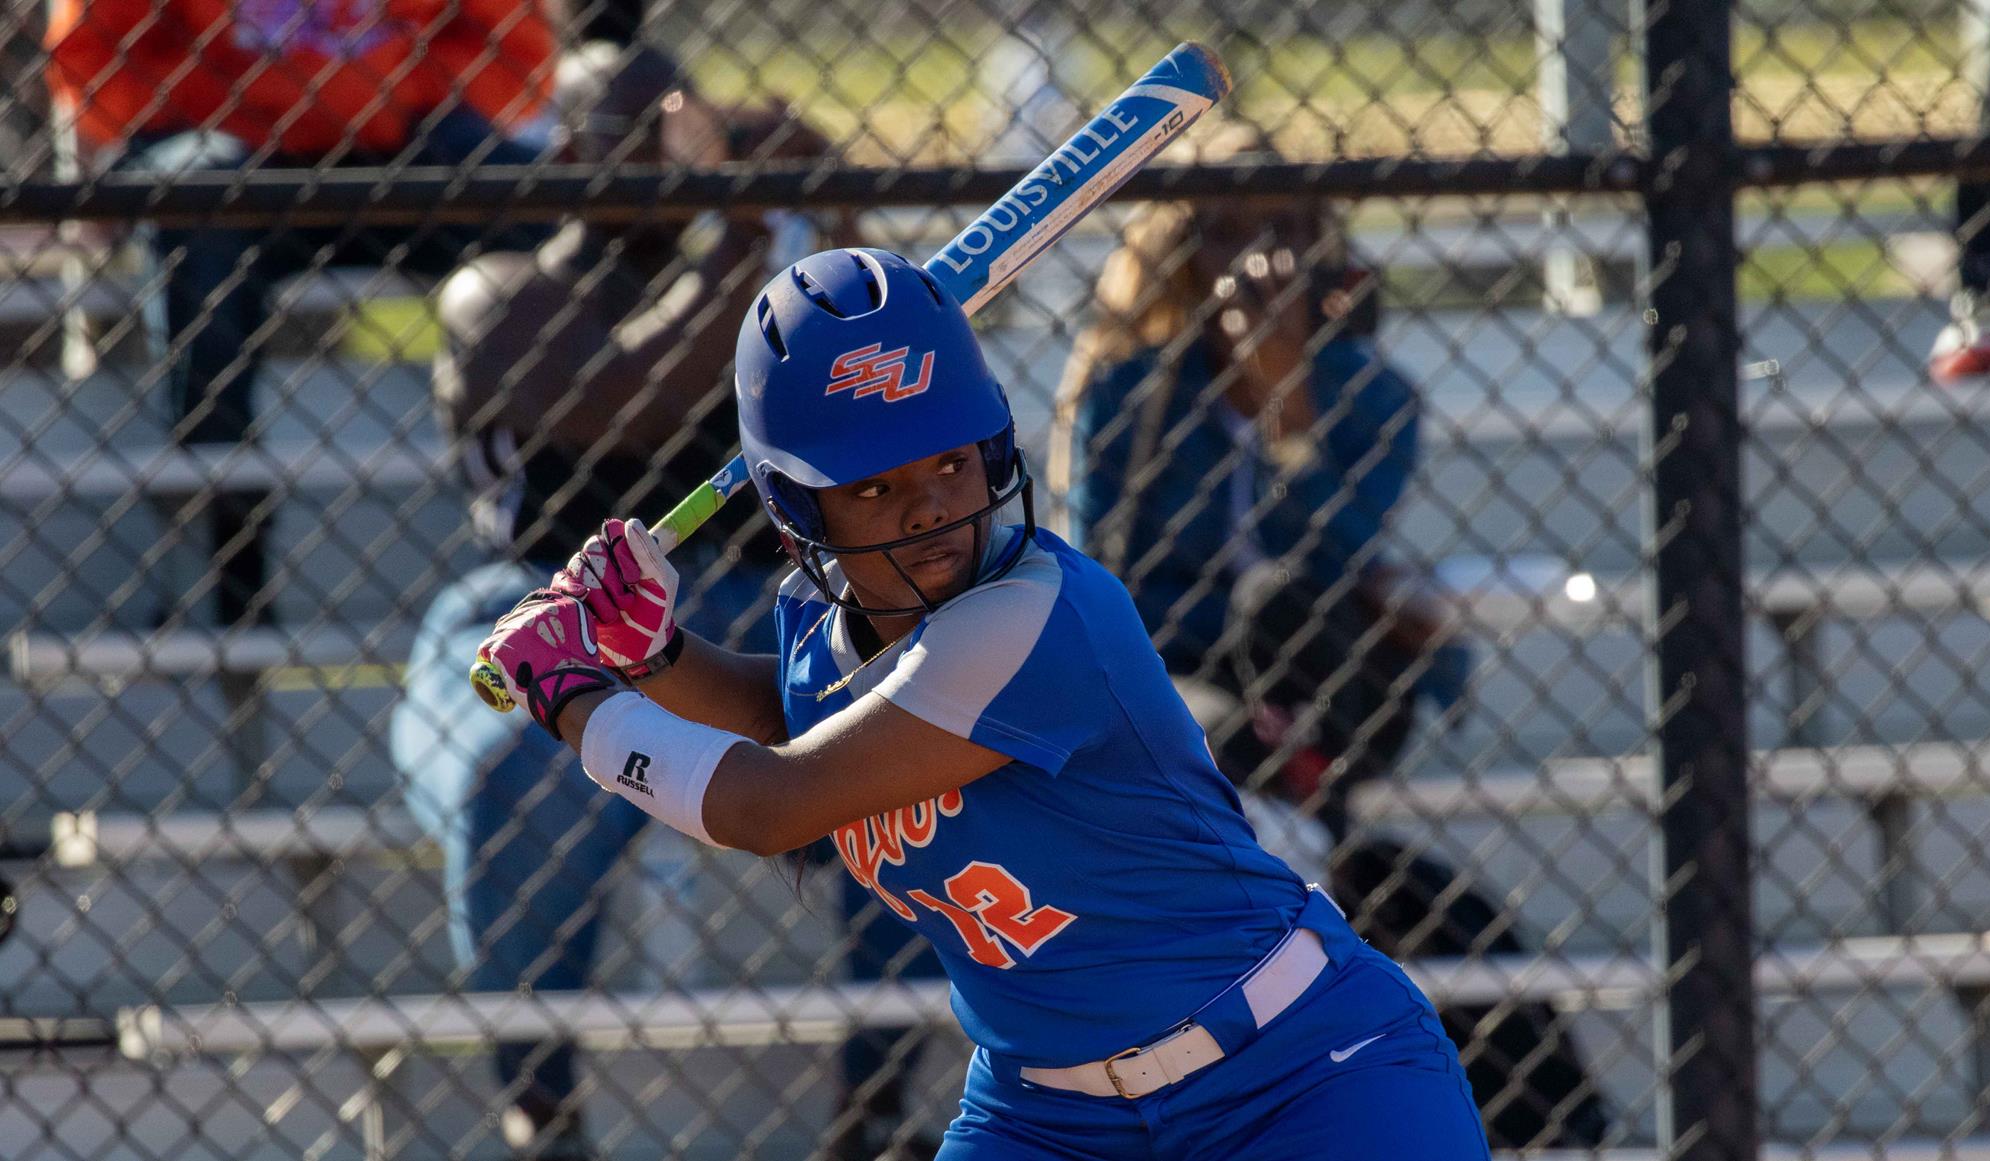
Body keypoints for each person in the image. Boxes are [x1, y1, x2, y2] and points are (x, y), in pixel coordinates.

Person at [473, 245, 1493, 1159]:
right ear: (795, 508)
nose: (928, 507)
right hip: (1049, 1117)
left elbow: (767, 804)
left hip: (1295, 1078)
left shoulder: (1038, 618)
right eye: (873, 485)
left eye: (950, 462)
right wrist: (650, 651)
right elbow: (791, 717)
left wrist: (573, 696)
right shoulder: (815, 624)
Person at [391, 43, 821, 1161]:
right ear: (573, 148)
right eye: (647, 134)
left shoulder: (750, 278)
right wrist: (739, 220)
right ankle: (542, 1104)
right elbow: (615, 397)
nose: (681, 158)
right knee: (514, 761)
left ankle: (874, 1106)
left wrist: (814, 199)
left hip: (736, 594)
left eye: (691, 131)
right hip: (538, 598)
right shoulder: (499, 290)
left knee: (897, 708)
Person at [43, 0, 557, 625]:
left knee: (542, 199)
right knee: (200, 197)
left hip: (396, 142)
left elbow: (515, 42)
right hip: (223, 152)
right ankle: (225, 552)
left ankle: (562, 526)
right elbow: (92, 55)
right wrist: (243, 98)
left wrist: (387, 91)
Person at [1050, 161, 1465, 835]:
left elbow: (1340, 558)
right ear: (1180, 255)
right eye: (1225, 232)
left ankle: (1300, 821)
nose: (1262, 258)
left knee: (1281, 600)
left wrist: (1289, 416)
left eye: (1288, 229)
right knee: (1215, 734)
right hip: (1186, 669)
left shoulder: (1378, 398)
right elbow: (1109, 580)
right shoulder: (1131, 397)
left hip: (1329, 673)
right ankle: (1307, 837)